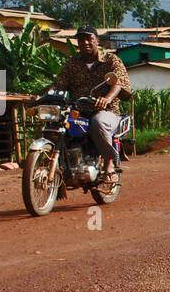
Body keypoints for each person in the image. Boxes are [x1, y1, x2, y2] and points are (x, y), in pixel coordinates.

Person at [49, 26, 131, 182]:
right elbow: (59, 83)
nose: (85, 42)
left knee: (98, 121)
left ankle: (109, 164)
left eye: (89, 38)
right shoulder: (72, 63)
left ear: (97, 40)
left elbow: (118, 84)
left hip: (106, 111)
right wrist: (46, 96)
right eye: (81, 39)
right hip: (78, 111)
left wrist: (107, 98)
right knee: (57, 124)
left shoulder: (111, 60)